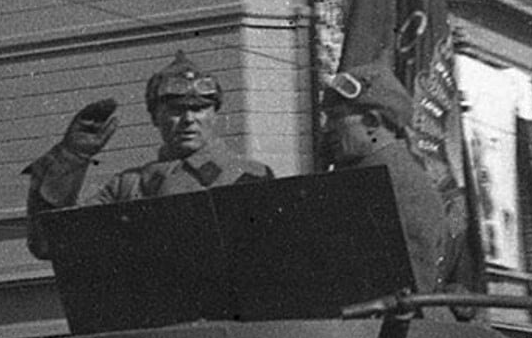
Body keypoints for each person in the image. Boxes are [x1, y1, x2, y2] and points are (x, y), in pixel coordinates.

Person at [23, 50, 274, 259]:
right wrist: (71, 158)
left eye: (199, 108)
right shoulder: (128, 186)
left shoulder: (248, 176)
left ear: (215, 114)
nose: (188, 119)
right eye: (176, 110)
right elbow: (52, 243)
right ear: (155, 117)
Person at [322, 60, 452, 294]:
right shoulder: (369, 176)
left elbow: (407, 283)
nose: (327, 128)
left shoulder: (394, 183)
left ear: (372, 122)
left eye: (335, 117)